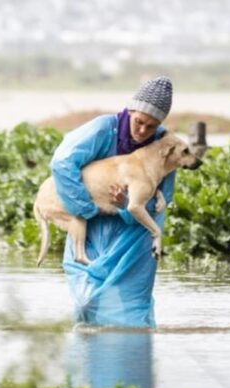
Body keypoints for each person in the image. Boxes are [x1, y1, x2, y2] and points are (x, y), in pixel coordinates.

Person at [49, 76, 175, 328]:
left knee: (132, 309)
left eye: (151, 126)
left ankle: (132, 362)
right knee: (87, 302)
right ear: (130, 111)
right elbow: (62, 163)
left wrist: (125, 205)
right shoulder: (103, 129)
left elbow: (163, 198)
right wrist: (87, 208)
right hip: (92, 228)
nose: (142, 131)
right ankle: (90, 362)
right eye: (139, 122)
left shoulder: (164, 145)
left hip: (134, 238)